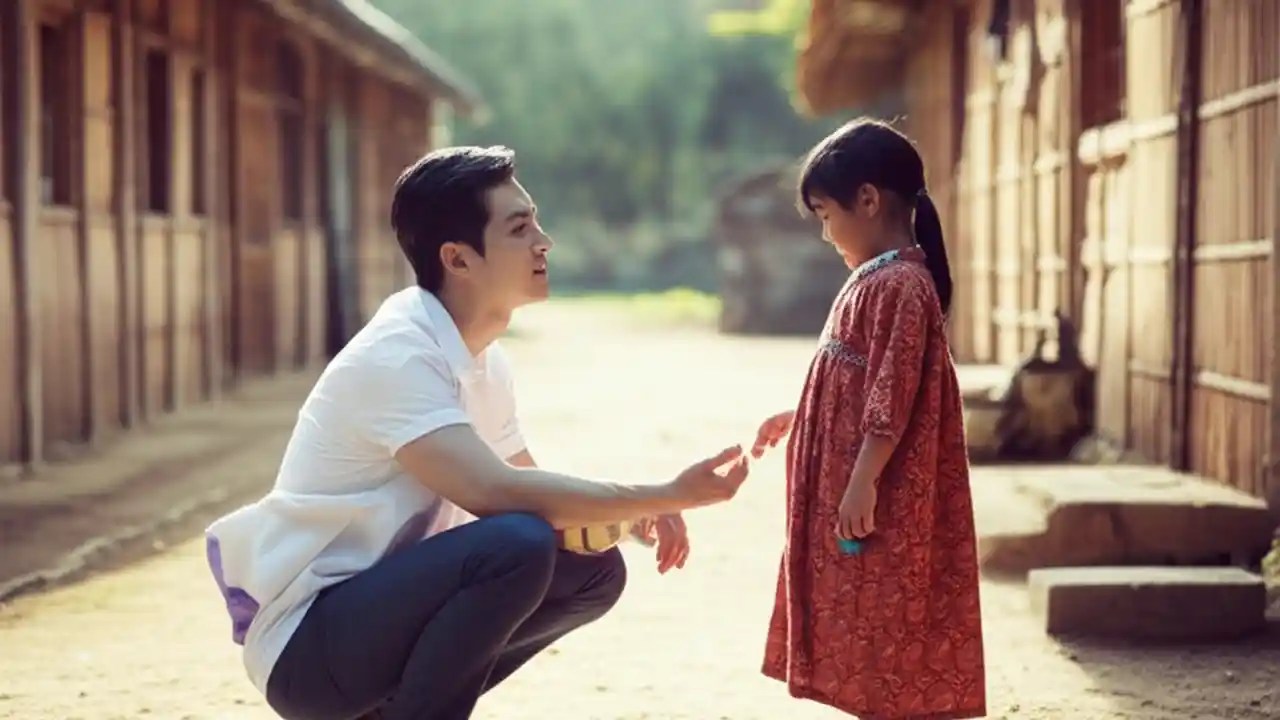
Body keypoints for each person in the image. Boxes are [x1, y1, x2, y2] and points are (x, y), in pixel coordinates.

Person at [204, 145, 750, 720]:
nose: (545, 241)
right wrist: (665, 494)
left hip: (374, 624)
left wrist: (631, 515)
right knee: (516, 545)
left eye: (535, 221)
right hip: (310, 651)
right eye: (519, 228)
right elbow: (497, 497)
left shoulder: (482, 359)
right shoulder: (399, 355)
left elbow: (529, 484)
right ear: (458, 260)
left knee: (595, 573)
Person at [750, 118, 986, 719]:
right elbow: (851, 377)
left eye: (827, 215)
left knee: (881, 615)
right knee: (858, 611)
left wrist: (863, 481)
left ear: (868, 200)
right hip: (857, 485)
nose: (826, 233)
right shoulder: (876, 280)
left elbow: (893, 393)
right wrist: (800, 413)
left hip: (878, 494)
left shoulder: (902, 284)